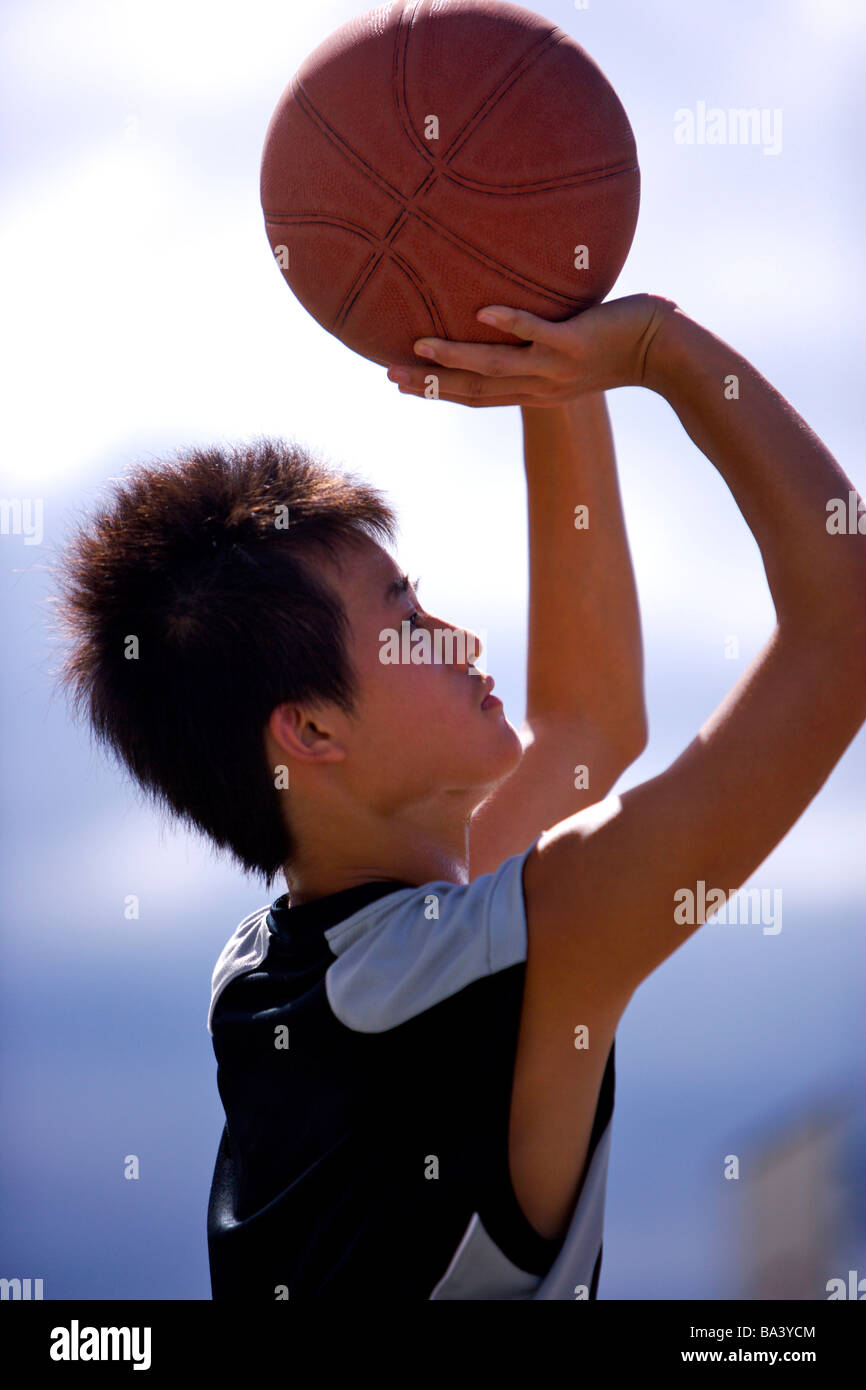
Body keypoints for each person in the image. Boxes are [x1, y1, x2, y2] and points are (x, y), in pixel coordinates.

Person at [56, 294, 866, 1300]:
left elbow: (586, 730)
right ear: (310, 731)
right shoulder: (476, 965)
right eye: (404, 618)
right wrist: (661, 349)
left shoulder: (283, 969)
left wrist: (548, 365)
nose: (458, 637)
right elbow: (843, 628)